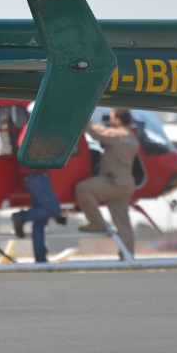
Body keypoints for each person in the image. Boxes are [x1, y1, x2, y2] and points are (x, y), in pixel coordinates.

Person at [75, 108, 141, 256]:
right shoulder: (132, 138)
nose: (109, 121)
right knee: (123, 223)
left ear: (118, 120)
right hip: (125, 184)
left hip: (113, 182)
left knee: (83, 189)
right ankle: (128, 256)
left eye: (111, 118)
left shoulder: (118, 134)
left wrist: (84, 119)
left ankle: (97, 223)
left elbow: (97, 132)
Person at [11, 122, 63, 264]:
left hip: (37, 177)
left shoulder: (30, 130)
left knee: (40, 221)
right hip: (37, 178)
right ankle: (21, 217)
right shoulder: (33, 130)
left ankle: (40, 258)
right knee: (54, 210)